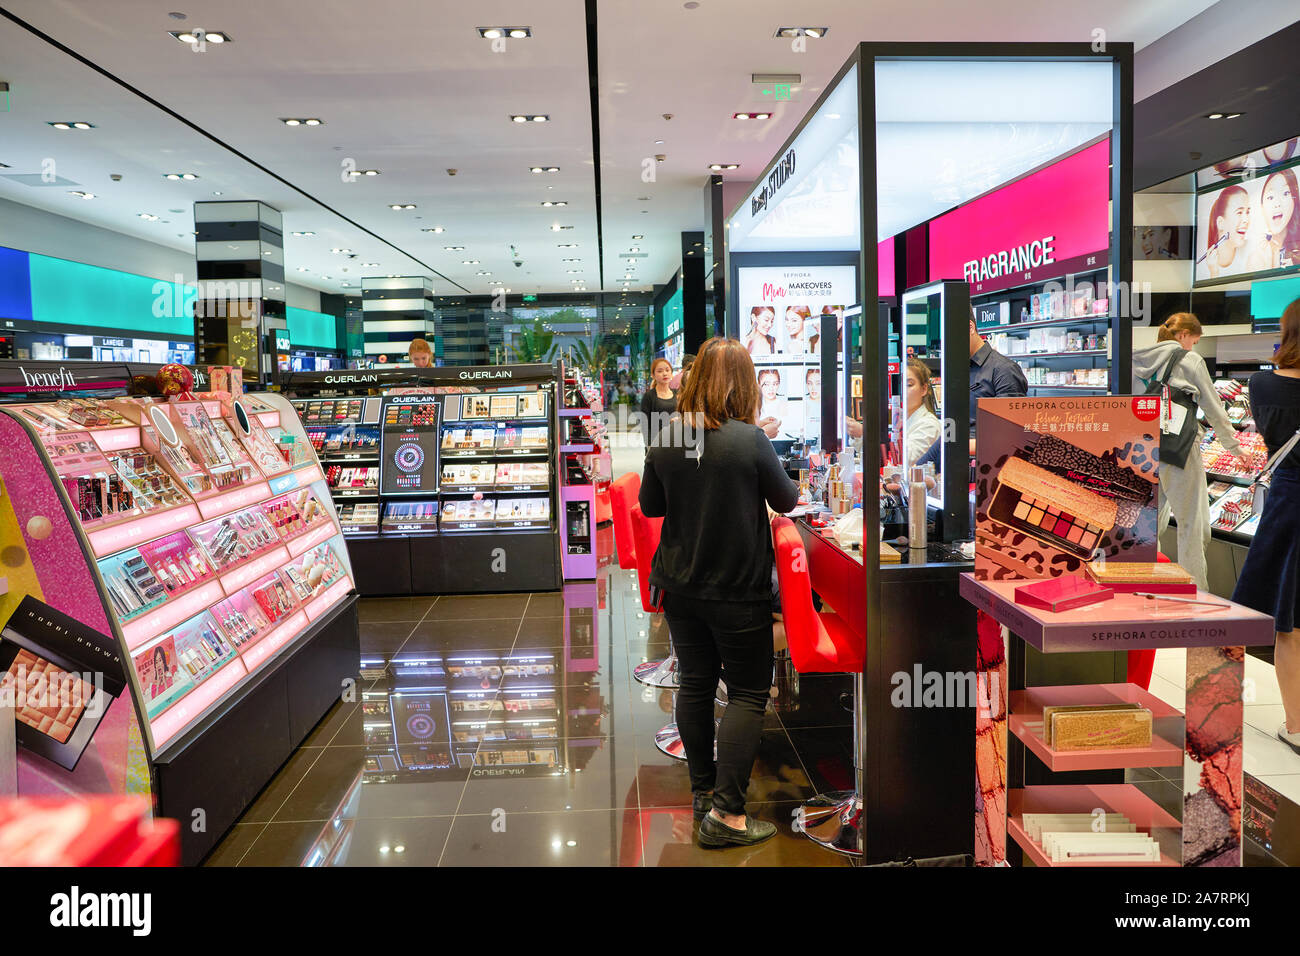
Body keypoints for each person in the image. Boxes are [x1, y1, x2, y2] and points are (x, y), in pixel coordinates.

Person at [639, 337, 799, 847]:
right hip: (737, 590)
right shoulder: (750, 439)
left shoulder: (666, 435)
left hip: (680, 586)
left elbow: (650, 506)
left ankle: (704, 796)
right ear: (745, 384)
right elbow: (789, 498)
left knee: (695, 685)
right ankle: (728, 816)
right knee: (749, 693)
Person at [1133, 313, 1248, 590]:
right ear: (1183, 335)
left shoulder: (1136, 358)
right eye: (1194, 341)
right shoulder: (1190, 360)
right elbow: (1213, 407)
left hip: (1142, 449)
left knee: (1148, 523)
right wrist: (1234, 446)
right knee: (1191, 525)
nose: (1193, 347)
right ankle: (1194, 592)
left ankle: (1143, 582)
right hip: (1180, 449)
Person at [1233, 299, 1300, 754]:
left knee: (1289, 622)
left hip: (1289, 503)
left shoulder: (1261, 384)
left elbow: (1268, 433)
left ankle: (1296, 724)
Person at [967, 309, 1028, 455]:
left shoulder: (1004, 370)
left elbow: (1011, 435)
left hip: (986, 467)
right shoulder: (958, 369)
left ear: (970, 328)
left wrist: (957, 447)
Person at [1249, 169, 1299, 273]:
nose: (1277, 203)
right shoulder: (1256, 257)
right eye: (1270, 197)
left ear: (1294, 201)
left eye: (1285, 193)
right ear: (1262, 206)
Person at [1203, 185, 1252, 278]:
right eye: (1239, 212)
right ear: (1221, 223)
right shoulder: (1204, 268)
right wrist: (1214, 273)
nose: (1246, 220)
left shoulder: (1252, 252)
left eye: (1248, 212)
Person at [902, 358, 942, 470]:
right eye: (899, 383)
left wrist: (865, 433)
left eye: (909, 384)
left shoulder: (929, 424)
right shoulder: (899, 421)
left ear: (924, 389)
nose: (902, 390)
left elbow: (907, 460)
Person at [639, 357, 677, 445]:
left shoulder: (677, 394)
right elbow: (645, 425)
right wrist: (649, 446)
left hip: (677, 442)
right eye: (660, 371)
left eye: (667, 370)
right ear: (653, 375)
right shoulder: (649, 396)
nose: (665, 374)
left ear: (671, 373)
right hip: (657, 443)